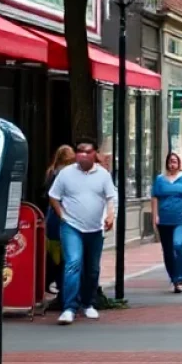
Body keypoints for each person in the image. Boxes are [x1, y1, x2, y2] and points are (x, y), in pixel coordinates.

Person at [48, 137, 116, 325]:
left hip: (95, 228)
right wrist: (62, 215)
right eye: (80, 151)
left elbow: (111, 197)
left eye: (87, 151)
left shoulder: (103, 175)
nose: (83, 155)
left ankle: (88, 303)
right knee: (73, 263)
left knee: (92, 269)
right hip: (71, 226)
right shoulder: (66, 174)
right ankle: (69, 307)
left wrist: (110, 215)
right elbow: (53, 196)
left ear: (95, 154)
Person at [151, 151, 182, 293]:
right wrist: (155, 216)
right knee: (167, 251)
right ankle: (173, 278)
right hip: (164, 219)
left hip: (181, 218)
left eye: (175, 161)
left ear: (179, 163)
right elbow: (154, 198)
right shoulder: (160, 179)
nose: (172, 164)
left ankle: (179, 278)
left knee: (177, 245)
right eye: (170, 161)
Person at [43, 145, 75, 310]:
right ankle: (65, 295)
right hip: (66, 219)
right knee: (68, 259)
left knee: (57, 259)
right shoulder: (70, 174)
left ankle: (59, 289)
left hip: (52, 221)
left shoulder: (51, 171)